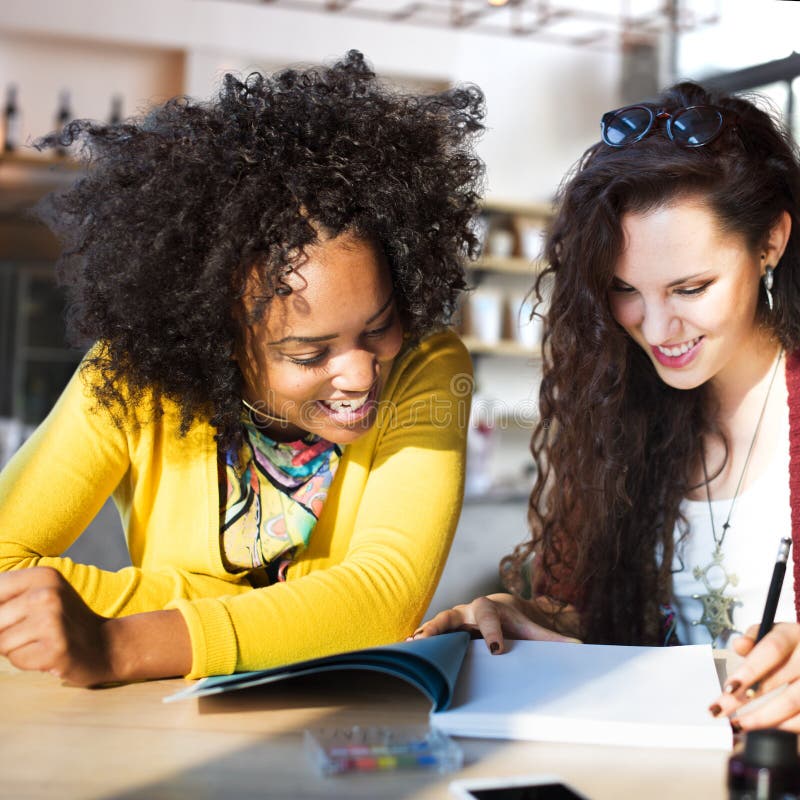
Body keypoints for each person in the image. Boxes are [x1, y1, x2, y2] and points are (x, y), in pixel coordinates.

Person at [0, 51, 484, 687]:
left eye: (378, 326)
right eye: (309, 353)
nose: (363, 375)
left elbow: (382, 601)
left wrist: (121, 645)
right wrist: (301, 617)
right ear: (219, 339)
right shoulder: (132, 378)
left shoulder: (427, 366)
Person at [415, 81, 800, 731]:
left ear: (771, 242)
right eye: (625, 290)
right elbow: (601, 623)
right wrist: (534, 619)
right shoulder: (621, 412)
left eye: (690, 287)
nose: (655, 328)